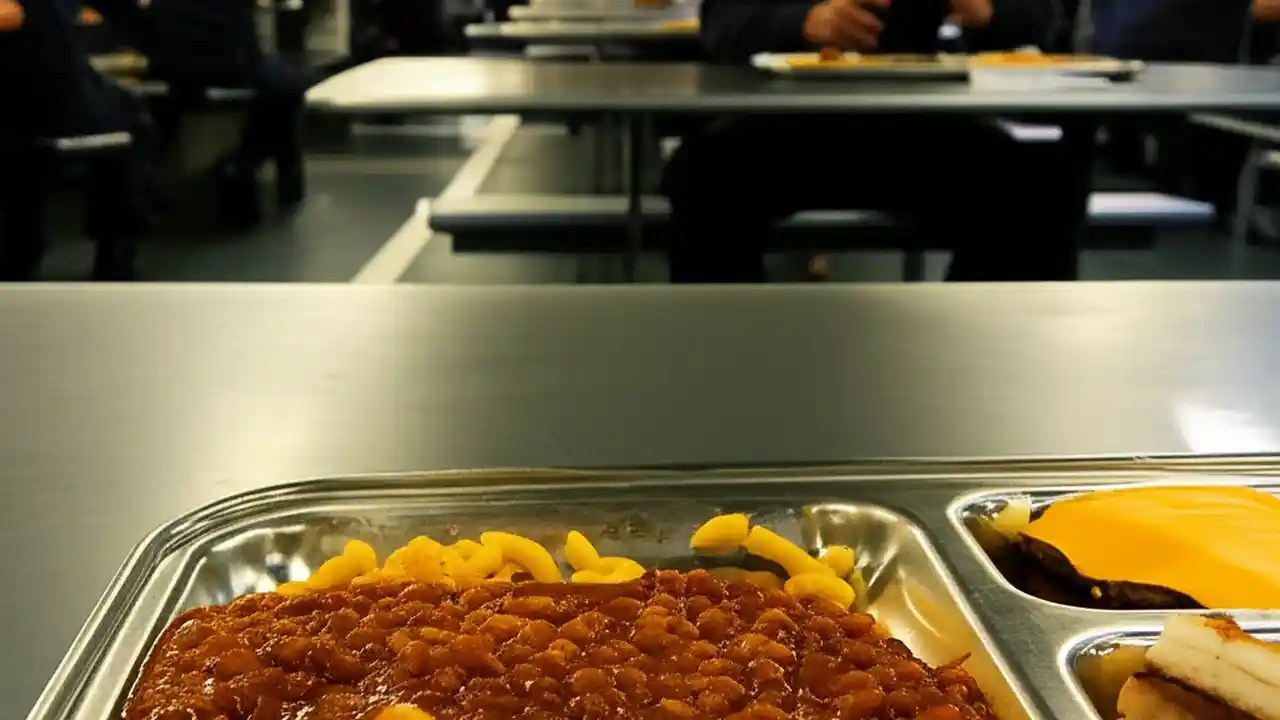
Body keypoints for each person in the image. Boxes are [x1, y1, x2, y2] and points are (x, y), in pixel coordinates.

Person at [662, 0, 1093, 282]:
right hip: (784, 120)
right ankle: (719, 358)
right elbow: (722, 24)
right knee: (702, 177)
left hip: (919, 124)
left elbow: (1042, 18)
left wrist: (991, 13)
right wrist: (804, 22)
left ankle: (994, 360)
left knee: (1042, 182)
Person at [116, 0, 308, 226]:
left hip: (173, 66)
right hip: (232, 63)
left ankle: (147, 178)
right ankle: (259, 166)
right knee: (288, 87)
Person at [0, 0, 153, 280]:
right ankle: (115, 248)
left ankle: (23, 246)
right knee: (131, 120)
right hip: (50, 102)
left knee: (24, 154)